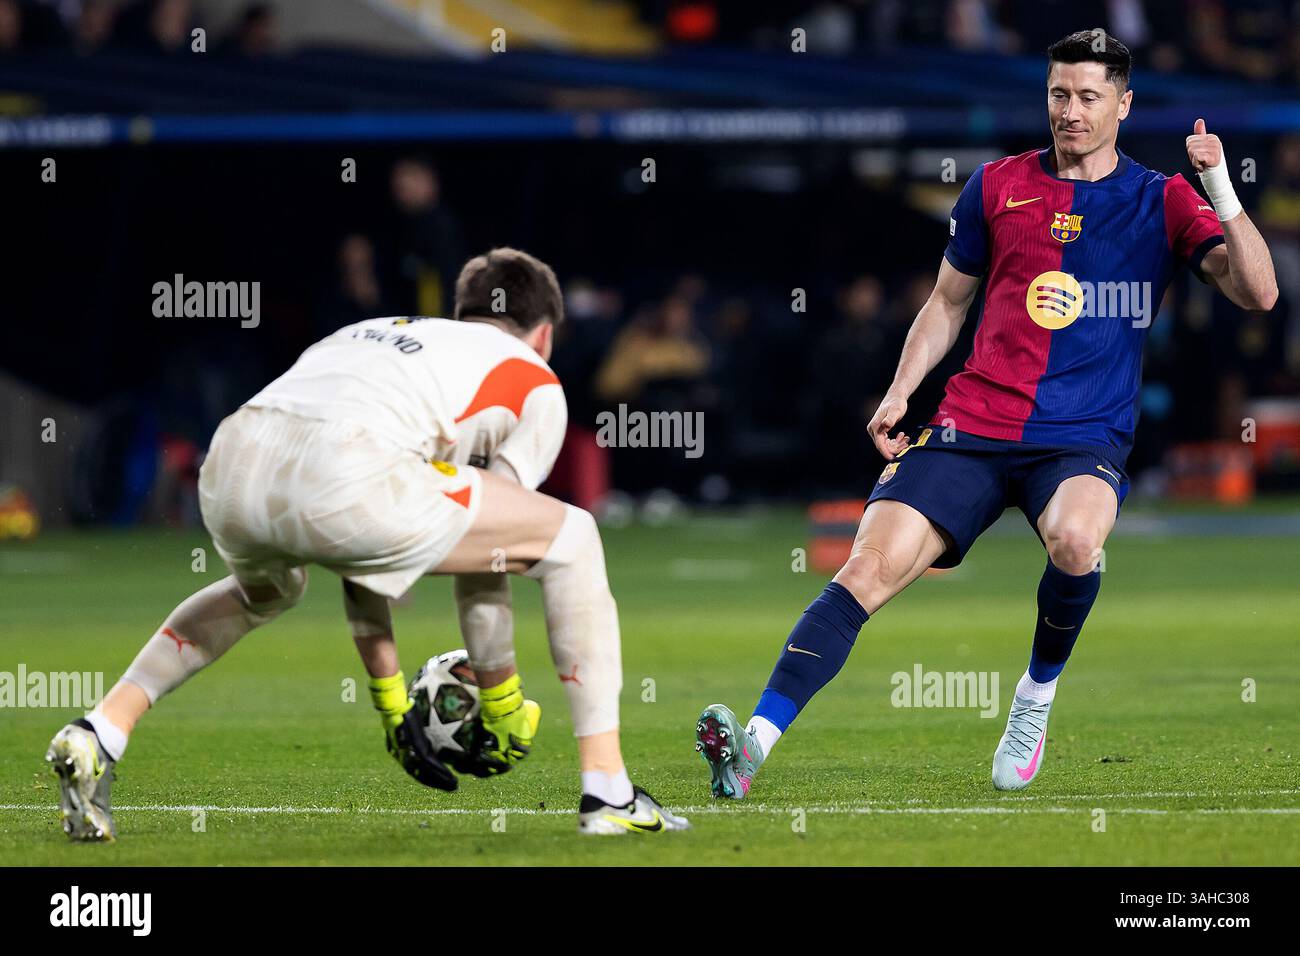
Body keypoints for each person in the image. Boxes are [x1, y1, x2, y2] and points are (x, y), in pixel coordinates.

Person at [695, 30, 1277, 798]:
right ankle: (752, 749)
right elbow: (945, 303)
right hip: (972, 425)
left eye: (1089, 96)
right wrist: (902, 390)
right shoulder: (998, 186)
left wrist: (1221, 192)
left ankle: (1033, 700)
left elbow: (1258, 292)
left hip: (1080, 437)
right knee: (866, 568)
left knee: (1075, 540)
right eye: (1059, 94)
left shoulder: (1161, 198)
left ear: (1124, 105)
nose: (1070, 111)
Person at [46, 248, 689, 839]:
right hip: (350, 471)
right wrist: (501, 697)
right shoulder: (533, 378)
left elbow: (359, 554)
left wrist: (390, 705)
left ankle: (101, 728)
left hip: (234, 459)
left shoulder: (382, 333)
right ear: (545, 333)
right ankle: (608, 793)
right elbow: (491, 552)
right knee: (573, 535)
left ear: (459, 314)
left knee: (265, 592)